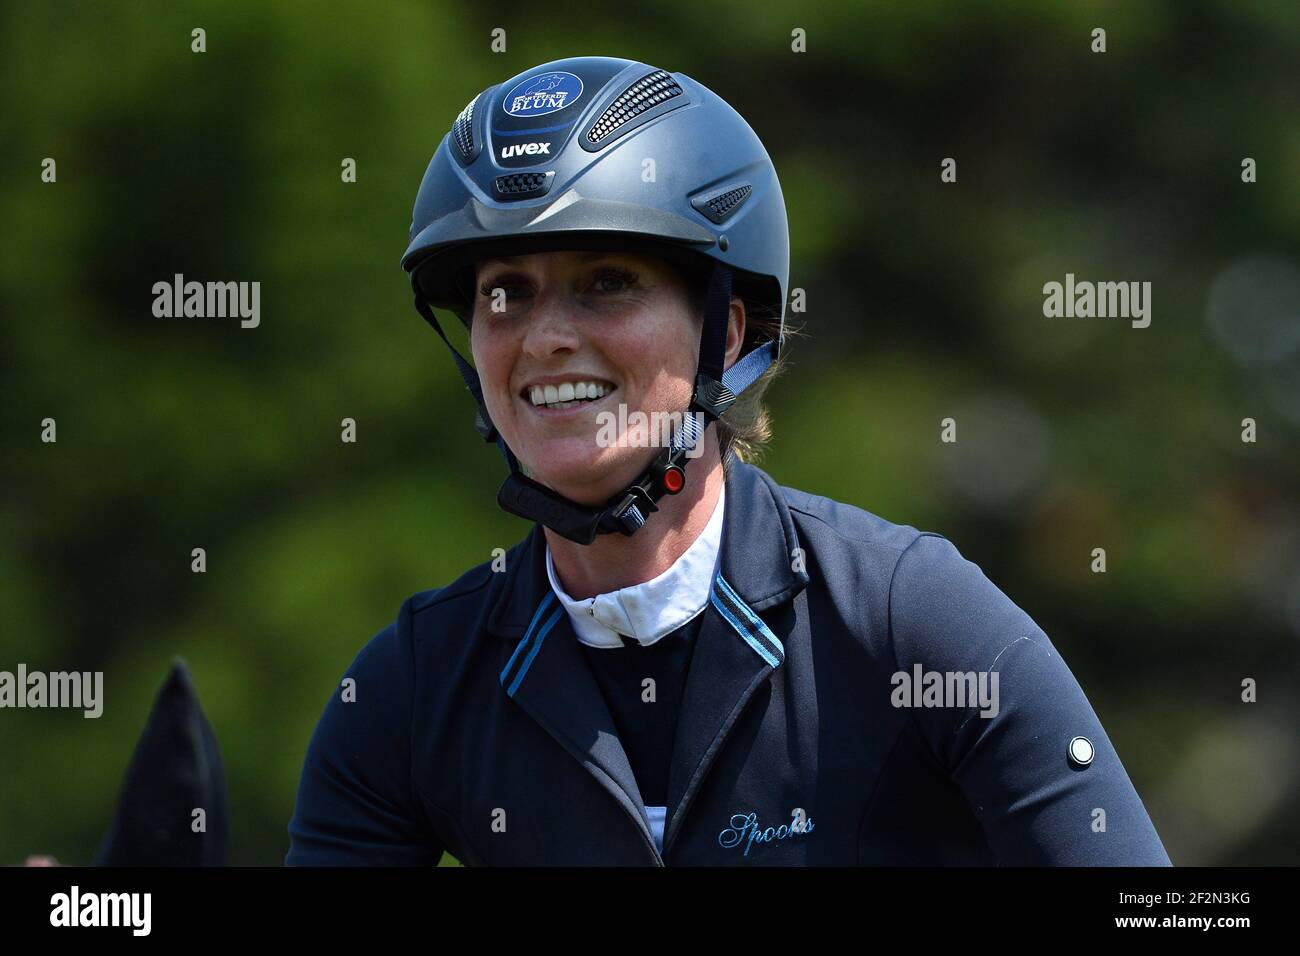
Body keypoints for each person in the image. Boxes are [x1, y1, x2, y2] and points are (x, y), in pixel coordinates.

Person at [284, 55, 1172, 866]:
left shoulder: (916, 619)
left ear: (728, 332)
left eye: (606, 281)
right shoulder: (408, 688)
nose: (546, 338)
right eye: (505, 293)